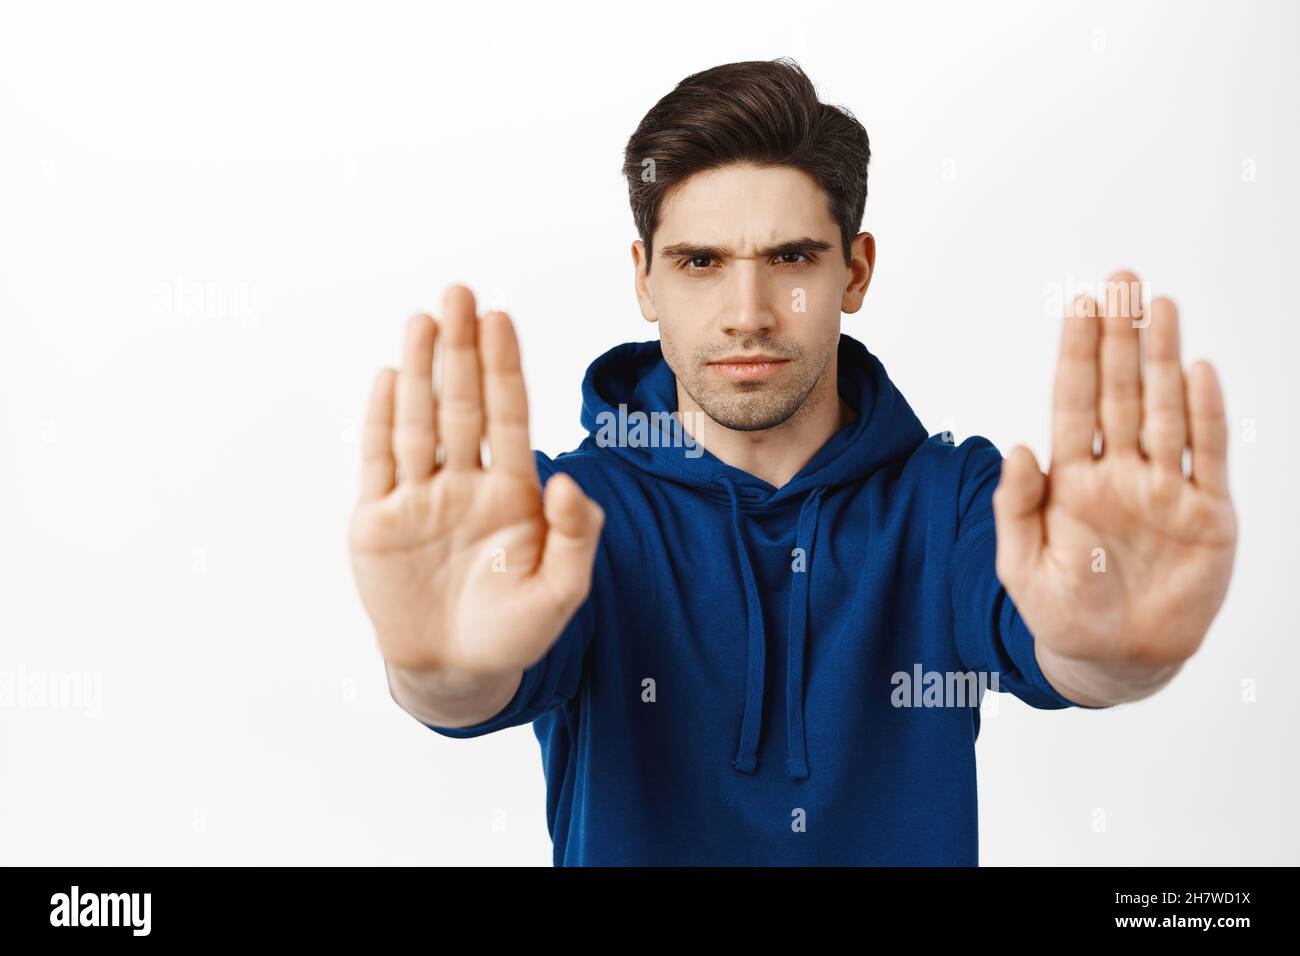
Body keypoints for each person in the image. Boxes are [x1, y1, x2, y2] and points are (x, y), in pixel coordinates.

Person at [346, 58, 1238, 865]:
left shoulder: (959, 502)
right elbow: (475, 682)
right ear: (644, 279)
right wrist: (437, 672)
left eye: (791, 259)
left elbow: (1060, 649)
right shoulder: (562, 513)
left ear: (855, 271)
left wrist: (1120, 657)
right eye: (699, 262)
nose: (748, 312)